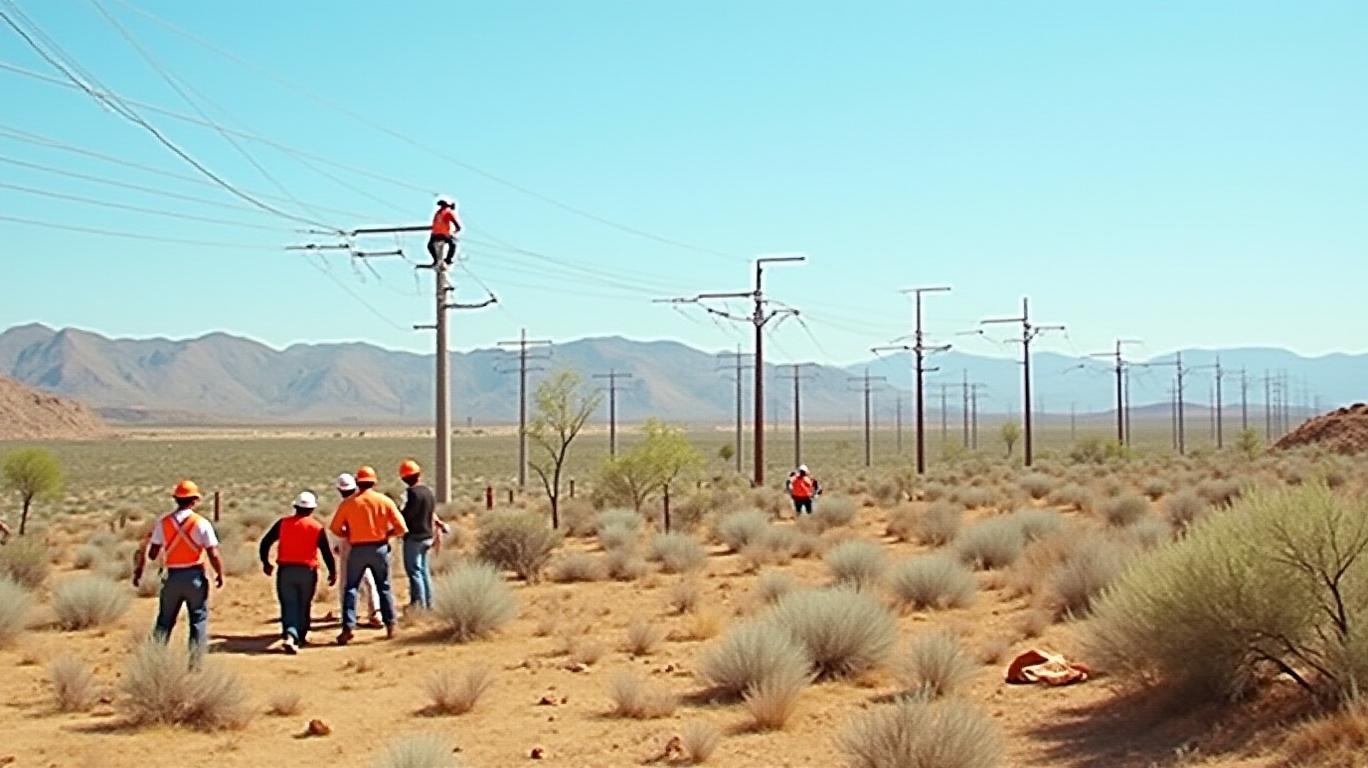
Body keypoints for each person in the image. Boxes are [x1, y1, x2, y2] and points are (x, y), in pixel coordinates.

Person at [133, 480, 225, 661]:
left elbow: (152, 554)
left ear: (176, 499)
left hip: (172, 577)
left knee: (164, 621)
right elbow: (213, 553)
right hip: (195, 577)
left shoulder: (164, 523)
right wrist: (220, 573)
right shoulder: (201, 523)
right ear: (194, 501)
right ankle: (195, 664)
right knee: (198, 620)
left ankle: (153, 659)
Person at [328, 465, 407, 644]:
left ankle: (348, 626)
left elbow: (334, 528)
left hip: (357, 549)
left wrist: (348, 534)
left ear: (357, 483)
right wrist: (388, 535)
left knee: (351, 588)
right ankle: (391, 626)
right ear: (374, 482)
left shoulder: (349, 503)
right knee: (384, 587)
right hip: (380, 548)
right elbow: (402, 527)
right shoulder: (384, 501)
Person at [258, 491, 337, 654]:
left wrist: (266, 562)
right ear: (312, 509)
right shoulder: (317, 527)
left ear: (295, 507)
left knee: (288, 604)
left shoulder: (283, 523)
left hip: (286, 570)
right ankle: (300, 635)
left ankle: (290, 635)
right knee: (304, 603)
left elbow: (265, 542)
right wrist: (332, 571)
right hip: (307, 571)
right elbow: (326, 552)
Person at [329, 473, 384, 627]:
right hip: (368, 544)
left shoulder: (346, 505)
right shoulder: (362, 502)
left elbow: (336, 528)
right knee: (369, 579)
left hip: (350, 545)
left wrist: (339, 542)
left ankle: (348, 616)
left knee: (347, 583)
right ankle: (376, 612)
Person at [397, 460, 448, 610]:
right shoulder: (428, 492)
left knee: (414, 571)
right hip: (427, 535)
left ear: (404, 478)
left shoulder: (411, 494)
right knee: (424, 570)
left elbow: (408, 515)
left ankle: (418, 604)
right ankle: (429, 603)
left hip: (414, 537)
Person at [427, 197, 462, 266]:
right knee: (453, 245)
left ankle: (436, 260)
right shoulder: (448, 212)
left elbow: (435, 224)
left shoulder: (438, 213)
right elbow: (457, 226)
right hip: (444, 234)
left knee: (430, 246)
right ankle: (448, 259)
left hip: (435, 234)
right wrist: (455, 232)